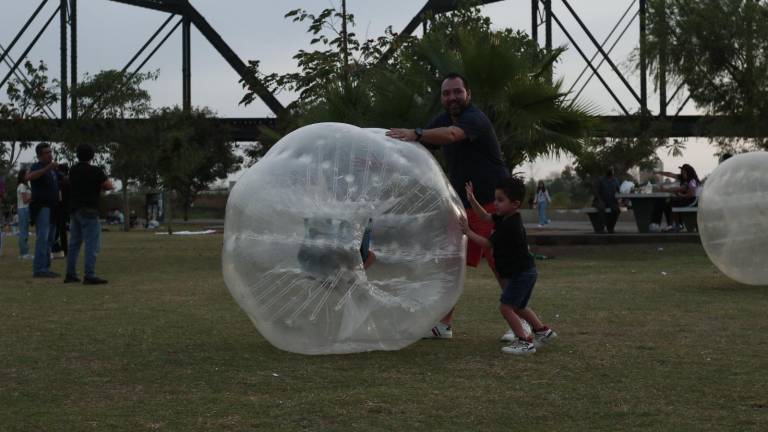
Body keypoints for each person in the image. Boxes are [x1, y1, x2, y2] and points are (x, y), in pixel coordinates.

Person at [386, 72, 509, 339]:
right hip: (462, 207)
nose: (452, 97)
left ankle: (522, 323)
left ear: (468, 94)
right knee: (452, 263)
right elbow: (421, 142)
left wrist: (416, 133)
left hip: (490, 206)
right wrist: (386, 147)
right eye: (446, 93)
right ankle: (443, 325)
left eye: (457, 92)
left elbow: (452, 135)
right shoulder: (441, 120)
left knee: (500, 264)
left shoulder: (474, 118)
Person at [459, 177, 557, 355]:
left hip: (522, 274)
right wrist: (472, 199)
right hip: (526, 272)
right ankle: (542, 331)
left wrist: (468, 232)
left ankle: (524, 342)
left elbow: (487, 244)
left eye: (500, 200)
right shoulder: (506, 217)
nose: (495, 203)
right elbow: (484, 216)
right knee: (519, 307)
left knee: (506, 308)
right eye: (495, 199)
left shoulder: (510, 225)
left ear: (515, 204)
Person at [64, 143, 113, 284]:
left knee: (74, 243)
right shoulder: (96, 171)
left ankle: (70, 274)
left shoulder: (73, 170)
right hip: (90, 210)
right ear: (92, 155)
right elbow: (108, 186)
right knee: (91, 243)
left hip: (75, 209)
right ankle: (89, 274)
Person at [26, 143, 60, 278]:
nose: (50, 154)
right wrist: (46, 169)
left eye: (51, 152)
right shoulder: (38, 166)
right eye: (47, 152)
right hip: (42, 207)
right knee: (42, 238)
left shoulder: (53, 170)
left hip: (53, 208)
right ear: (39, 155)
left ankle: (45, 267)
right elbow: (29, 177)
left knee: (50, 239)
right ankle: (39, 269)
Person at [652, 163, 701, 232]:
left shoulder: (692, 181)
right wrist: (659, 172)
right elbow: (670, 174)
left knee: (672, 203)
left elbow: (689, 194)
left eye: (683, 172)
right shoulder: (683, 178)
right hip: (687, 198)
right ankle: (676, 224)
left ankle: (674, 225)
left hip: (692, 201)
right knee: (670, 202)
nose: (682, 173)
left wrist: (668, 190)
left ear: (688, 172)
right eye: (682, 171)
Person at [593, 168, 621, 234]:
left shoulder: (615, 180)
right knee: (601, 208)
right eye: (609, 170)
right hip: (600, 200)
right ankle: (601, 228)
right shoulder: (600, 180)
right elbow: (595, 191)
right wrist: (599, 200)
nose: (610, 172)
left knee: (617, 209)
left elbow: (618, 191)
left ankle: (610, 227)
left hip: (612, 201)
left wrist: (619, 200)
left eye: (611, 170)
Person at [16, 169, 32, 259]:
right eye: (27, 174)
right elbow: (25, 200)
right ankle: (24, 253)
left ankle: (24, 252)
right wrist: (35, 196)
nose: (29, 175)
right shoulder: (22, 186)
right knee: (23, 232)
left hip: (25, 209)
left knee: (25, 231)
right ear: (23, 176)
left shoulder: (26, 185)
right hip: (23, 209)